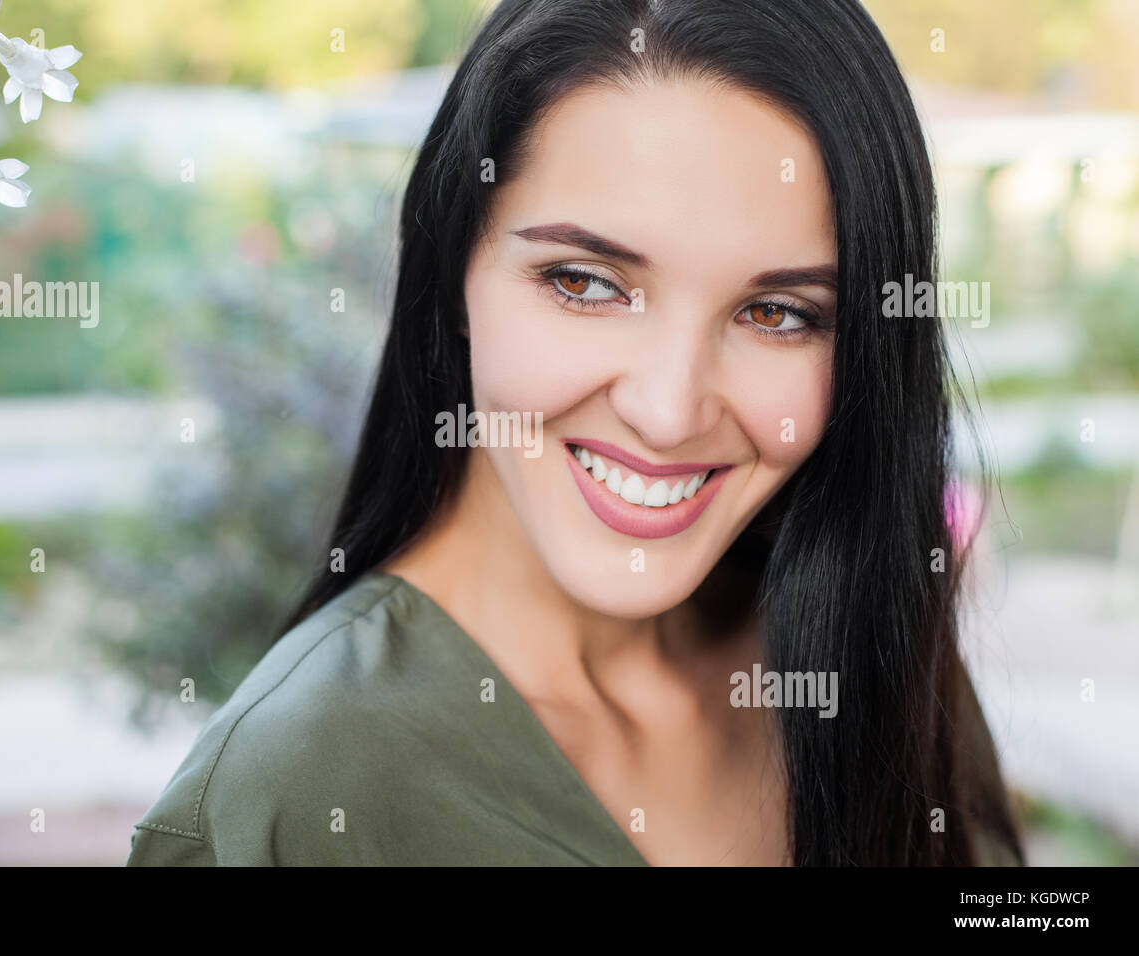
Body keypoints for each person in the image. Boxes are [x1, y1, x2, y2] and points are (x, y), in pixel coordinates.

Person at [127, 0, 1024, 866]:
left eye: (778, 313)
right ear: (454, 267)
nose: (669, 412)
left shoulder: (875, 652)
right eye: (586, 283)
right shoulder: (282, 803)